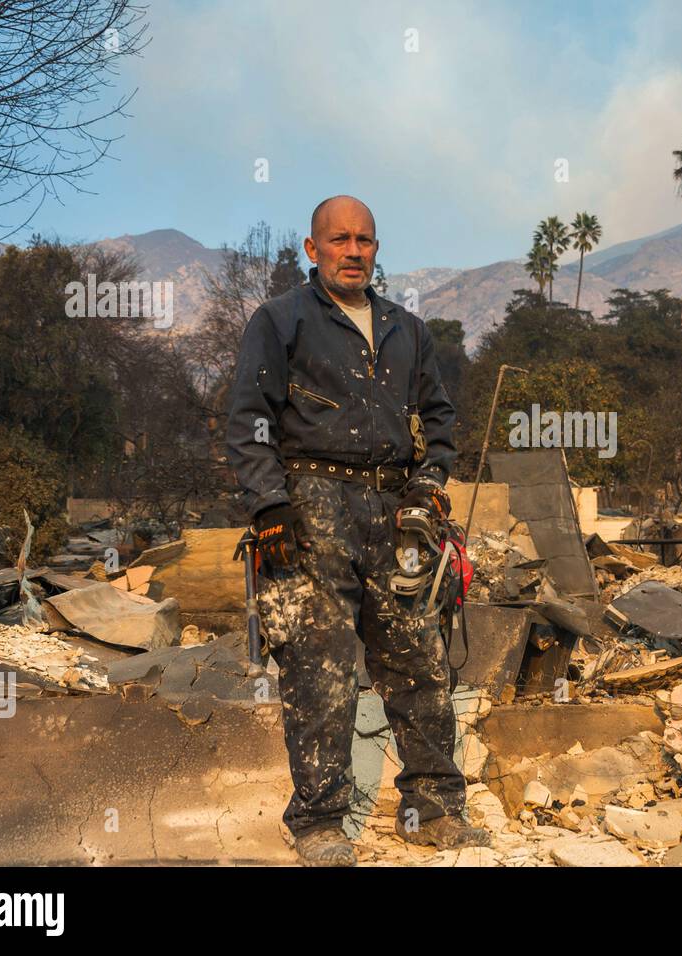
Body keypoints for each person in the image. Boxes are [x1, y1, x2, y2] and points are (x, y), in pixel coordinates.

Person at [225, 195, 489, 866]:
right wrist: (268, 505)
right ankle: (318, 823)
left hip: (396, 508)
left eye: (364, 240)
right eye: (339, 239)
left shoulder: (408, 330)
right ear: (311, 250)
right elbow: (249, 419)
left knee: (419, 664)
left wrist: (429, 487)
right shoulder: (279, 321)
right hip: (312, 505)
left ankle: (433, 809)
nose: (353, 250)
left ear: (376, 249)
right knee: (321, 670)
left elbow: (440, 420)